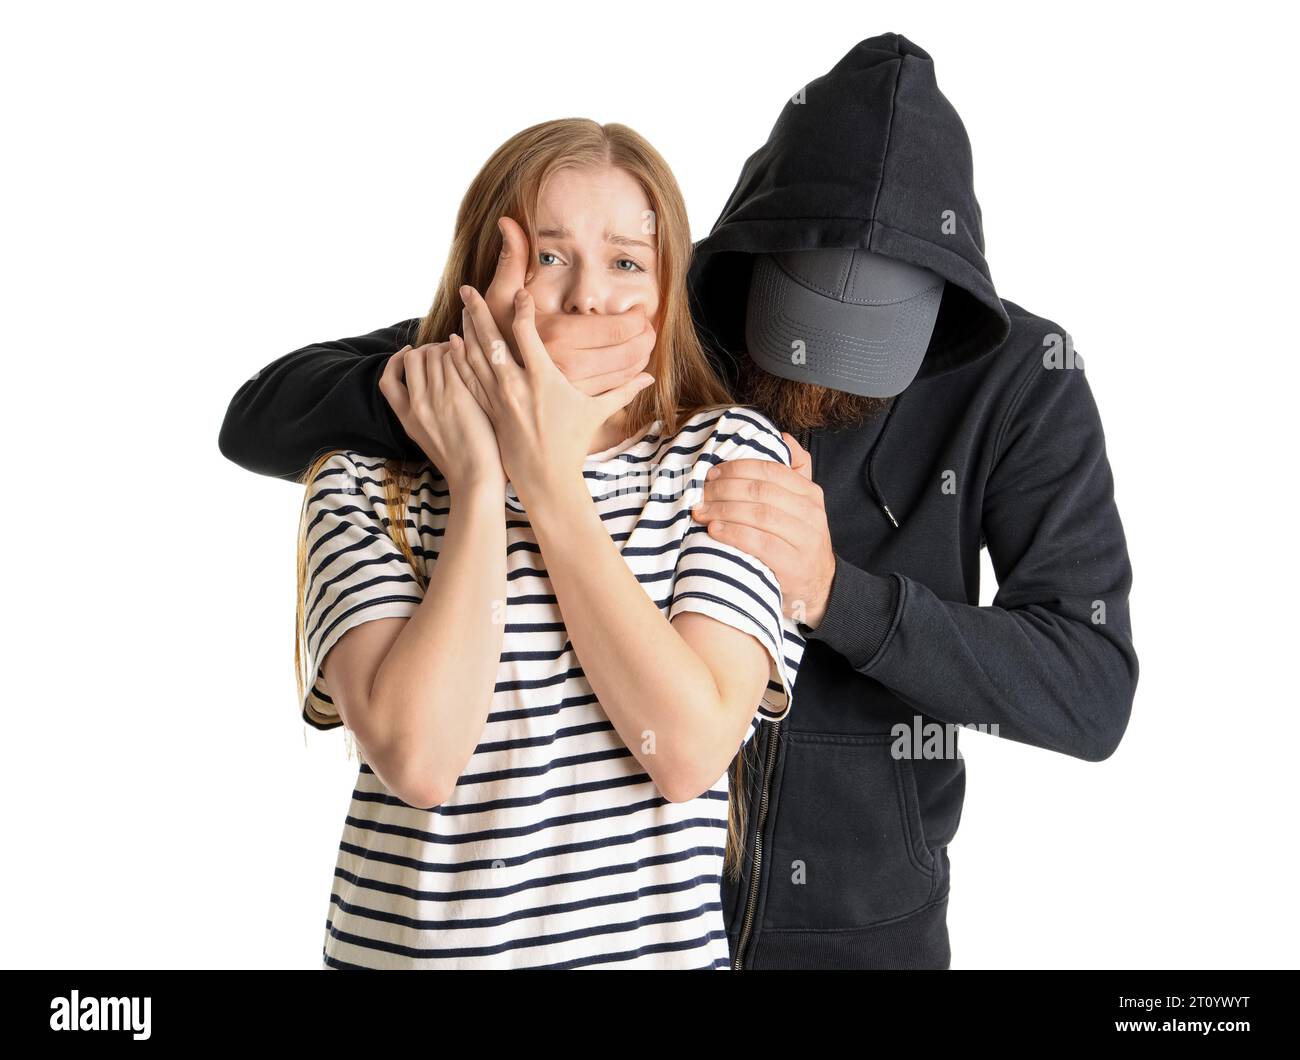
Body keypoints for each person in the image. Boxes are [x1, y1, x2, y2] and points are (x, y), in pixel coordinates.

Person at [221, 33, 1138, 970]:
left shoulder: (1022, 379)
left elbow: (1089, 689)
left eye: (869, 338)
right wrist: (492, 395)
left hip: (854, 930)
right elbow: (262, 416)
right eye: (800, 322)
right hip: (622, 915)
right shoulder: (641, 304)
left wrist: (837, 594)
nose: (823, 362)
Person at [293, 118, 805, 969]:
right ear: (477, 283)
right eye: (550, 256)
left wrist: (547, 474)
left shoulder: (724, 459)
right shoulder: (360, 483)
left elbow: (684, 751)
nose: (589, 298)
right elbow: (419, 760)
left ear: (669, 289)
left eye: (628, 262)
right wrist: (485, 476)